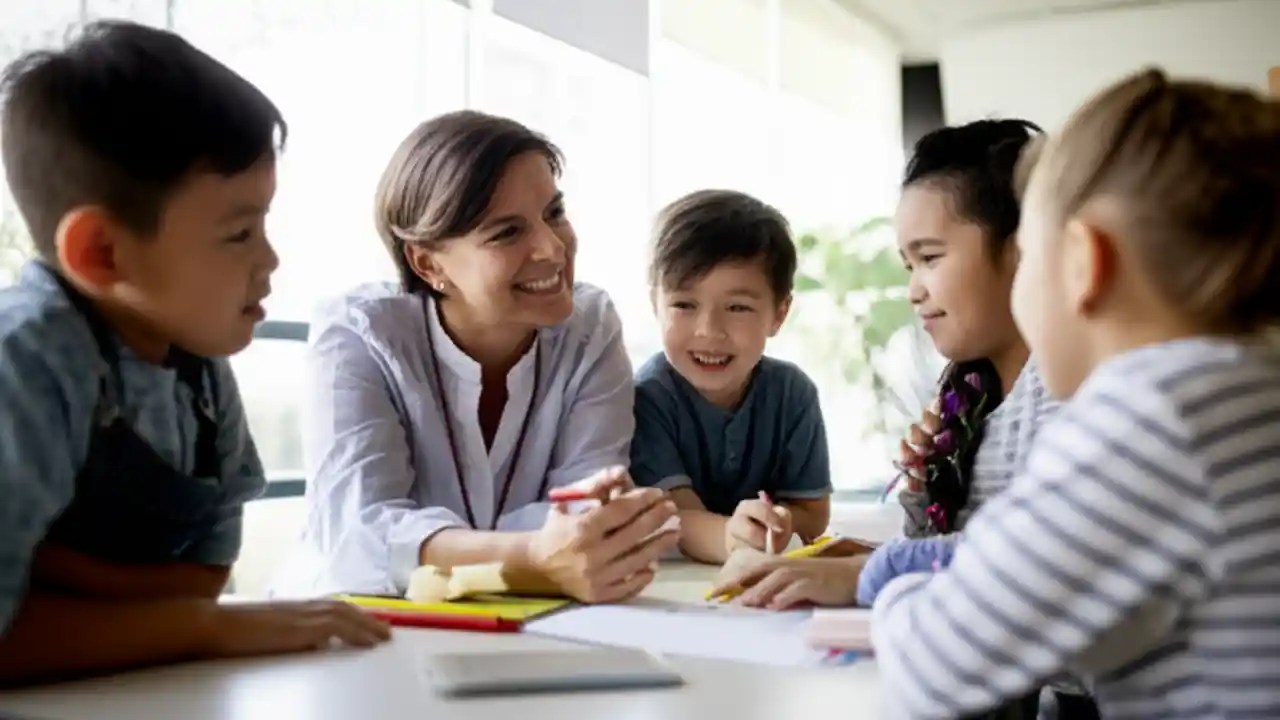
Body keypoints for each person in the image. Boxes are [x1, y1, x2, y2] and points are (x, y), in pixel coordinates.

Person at [872, 68, 1280, 719]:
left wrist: (889, 585)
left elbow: (934, 669)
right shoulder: (1241, 388)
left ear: (1084, 263)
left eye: (1029, 256)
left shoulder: (1156, 415)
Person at [0, 21, 389, 686]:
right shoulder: (25, 362)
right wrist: (199, 625)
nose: (269, 261)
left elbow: (206, 570)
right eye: (239, 233)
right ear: (101, 253)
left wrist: (64, 580)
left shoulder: (200, 363)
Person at [280, 111, 679, 601]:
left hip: (539, 618)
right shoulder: (360, 332)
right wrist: (535, 557)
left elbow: (588, 513)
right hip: (362, 624)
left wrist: (457, 552)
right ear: (427, 263)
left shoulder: (590, 326)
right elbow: (359, 536)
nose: (553, 249)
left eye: (554, 213)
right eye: (507, 233)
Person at [712, 119, 1048, 606]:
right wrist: (921, 496)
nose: (914, 291)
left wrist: (867, 571)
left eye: (930, 258)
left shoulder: (1063, 394)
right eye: (909, 267)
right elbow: (957, 557)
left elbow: (1027, 558)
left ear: (1021, 250)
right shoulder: (979, 398)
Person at [629, 190, 832, 564]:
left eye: (738, 307)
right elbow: (678, 518)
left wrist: (781, 522)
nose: (709, 330)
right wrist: (735, 535)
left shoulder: (793, 394)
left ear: (779, 313)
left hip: (757, 571)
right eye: (684, 305)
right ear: (655, 304)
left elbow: (813, 513)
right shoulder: (646, 399)